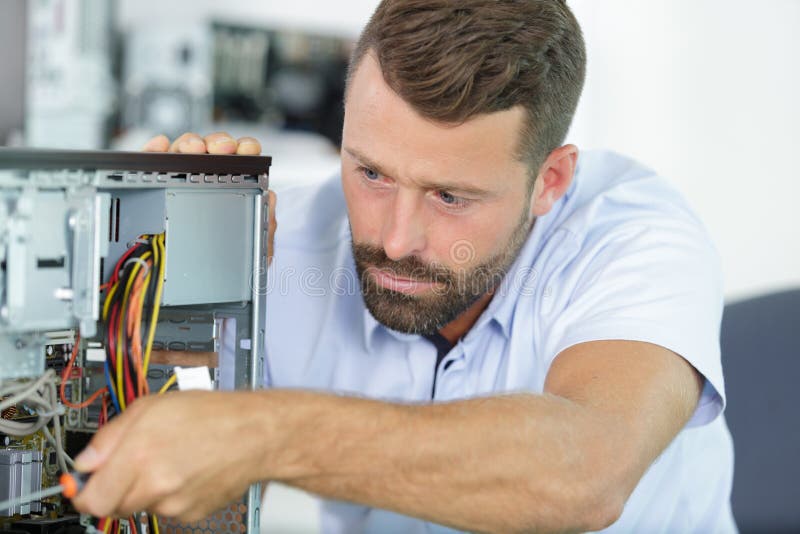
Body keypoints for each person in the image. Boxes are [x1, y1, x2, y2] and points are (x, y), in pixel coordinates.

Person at [72, 1, 735, 532]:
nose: (394, 241)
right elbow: (202, 515)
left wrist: (267, 433)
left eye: (451, 196)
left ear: (550, 181)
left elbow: (587, 473)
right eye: (372, 173)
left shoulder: (634, 238)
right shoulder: (282, 246)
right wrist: (194, 317)